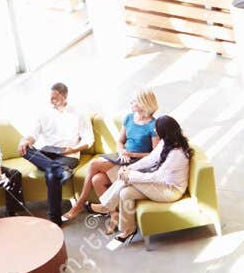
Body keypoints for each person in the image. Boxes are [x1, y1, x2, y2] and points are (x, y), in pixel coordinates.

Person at [93, 114, 191, 245]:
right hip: (161, 185)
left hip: (171, 191)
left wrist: (130, 175)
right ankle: (128, 230)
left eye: (157, 129)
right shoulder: (165, 142)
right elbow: (150, 159)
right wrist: (129, 168)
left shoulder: (177, 153)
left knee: (128, 179)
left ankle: (106, 206)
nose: (155, 131)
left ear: (164, 132)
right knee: (125, 193)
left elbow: (157, 176)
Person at [63, 90, 158, 223]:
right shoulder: (129, 118)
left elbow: (154, 155)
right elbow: (119, 142)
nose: (130, 102)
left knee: (93, 164)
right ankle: (113, 215)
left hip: (137, 162)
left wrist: (131, 154)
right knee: (97, 180)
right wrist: (122, 152)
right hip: (122, 157)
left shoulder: (153, 125)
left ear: (144, 103)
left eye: (134, 100)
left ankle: (79, 204)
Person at [18, 82, 91, 224]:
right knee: (25, 149)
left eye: (55, 98)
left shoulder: (78, 113)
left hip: (68, 154)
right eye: (50, 98)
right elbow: (33, 134)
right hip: (48, 152)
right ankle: (59, 169)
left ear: (65, 96)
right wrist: (26, 140)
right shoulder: (44, 113)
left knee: (51, 174)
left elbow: (89, 138)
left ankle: (54, 219)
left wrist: (74, 149)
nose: (51, 101)